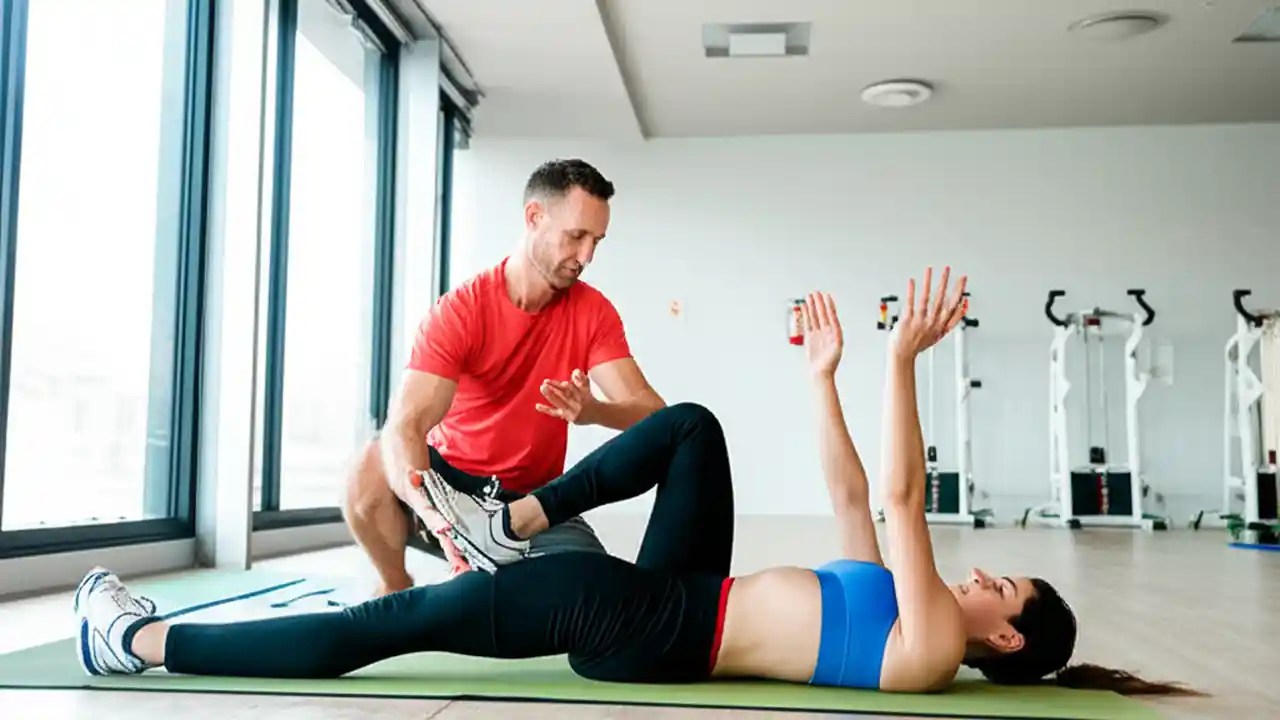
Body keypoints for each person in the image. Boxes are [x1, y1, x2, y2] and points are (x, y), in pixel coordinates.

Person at [75, 269, 1194, 696]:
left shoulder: (928, 644)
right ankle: (513, 520)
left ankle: (137, 645)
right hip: (689, 597)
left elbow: (902, 504)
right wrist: (824, 377)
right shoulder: (906, 613)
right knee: (691, 427)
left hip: (647, 627)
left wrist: (904, 362)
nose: (993, 579)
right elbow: (857, 501)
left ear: (1004, 640)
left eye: (1011, 591)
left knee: (396, 621)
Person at [344, 158, 666, 593]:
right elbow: (408, 423)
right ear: (534, 217)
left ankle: (493, 566)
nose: (587, 256)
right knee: (369, 469)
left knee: (593, 592)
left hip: (530, 502)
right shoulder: (461, 311)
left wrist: (594, 412)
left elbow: (654, 414)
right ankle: (396, 583)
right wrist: (433, 513)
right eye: (576, 236)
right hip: (450, 490)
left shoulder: (593, 312)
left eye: (596, 241)